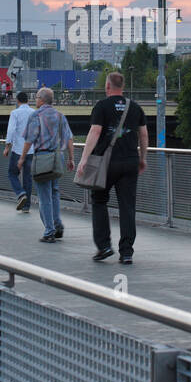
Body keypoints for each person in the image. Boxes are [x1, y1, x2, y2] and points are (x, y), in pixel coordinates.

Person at [76, 72, 147, 264]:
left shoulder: (101, 106)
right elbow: (144, 135)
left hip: (105, 163)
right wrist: (143, 158)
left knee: (99, 200)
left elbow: (95, 131)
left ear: (108, 86)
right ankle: (127, 252)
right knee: (127, 206)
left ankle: (104, 246)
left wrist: (84, 159)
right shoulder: (135, 107)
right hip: (130, 161)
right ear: (122, 86)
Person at [19, 88, 75, 243]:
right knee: (54, 192)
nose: (35, 100)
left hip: (43, 157)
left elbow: (29, 139)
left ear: (41, 99)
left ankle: (49, 231)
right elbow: (69, 138)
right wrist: (71, 159)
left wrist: (22, 158)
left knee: (44, 196)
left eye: (36, 97)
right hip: (58, 157)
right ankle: (57, 224)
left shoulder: (35, 115)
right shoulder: (60, 116)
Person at [3, 91, 35, 213]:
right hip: (31, 150)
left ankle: (20, 193)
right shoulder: (34, 113)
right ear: (28, 100)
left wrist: (7, 147)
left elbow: (11, 130)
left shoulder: (15, 113)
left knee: (12, 173)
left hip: (18, 150)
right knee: (28, 177)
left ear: (18, 101)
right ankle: (26, 207)